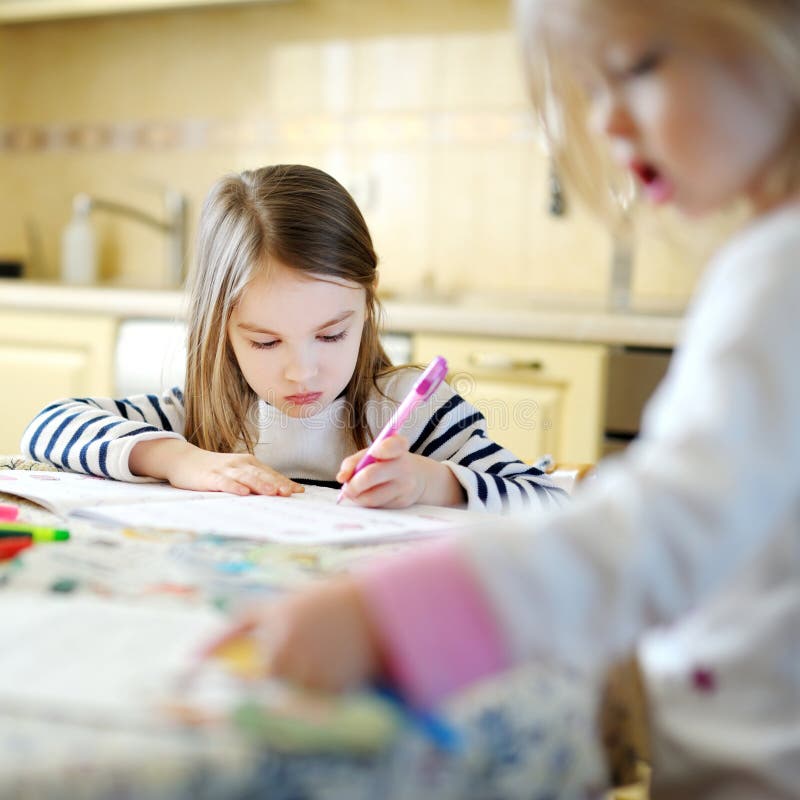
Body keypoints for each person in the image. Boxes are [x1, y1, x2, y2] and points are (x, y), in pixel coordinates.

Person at [216, 2, 800, 798]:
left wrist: (393, 616)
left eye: (635, 68)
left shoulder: (782, 273)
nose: (606, 122)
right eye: (591, 87)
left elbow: (660, 528)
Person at [21, 164, 563, 514]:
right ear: (221, 329)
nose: (302, 372)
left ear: (366, 302)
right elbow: (47, 427)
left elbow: (549, 502)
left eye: (330, 335)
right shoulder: (211, 416)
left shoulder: (412, 412)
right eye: (264, 343)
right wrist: (180, 459)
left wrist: (431, 483)